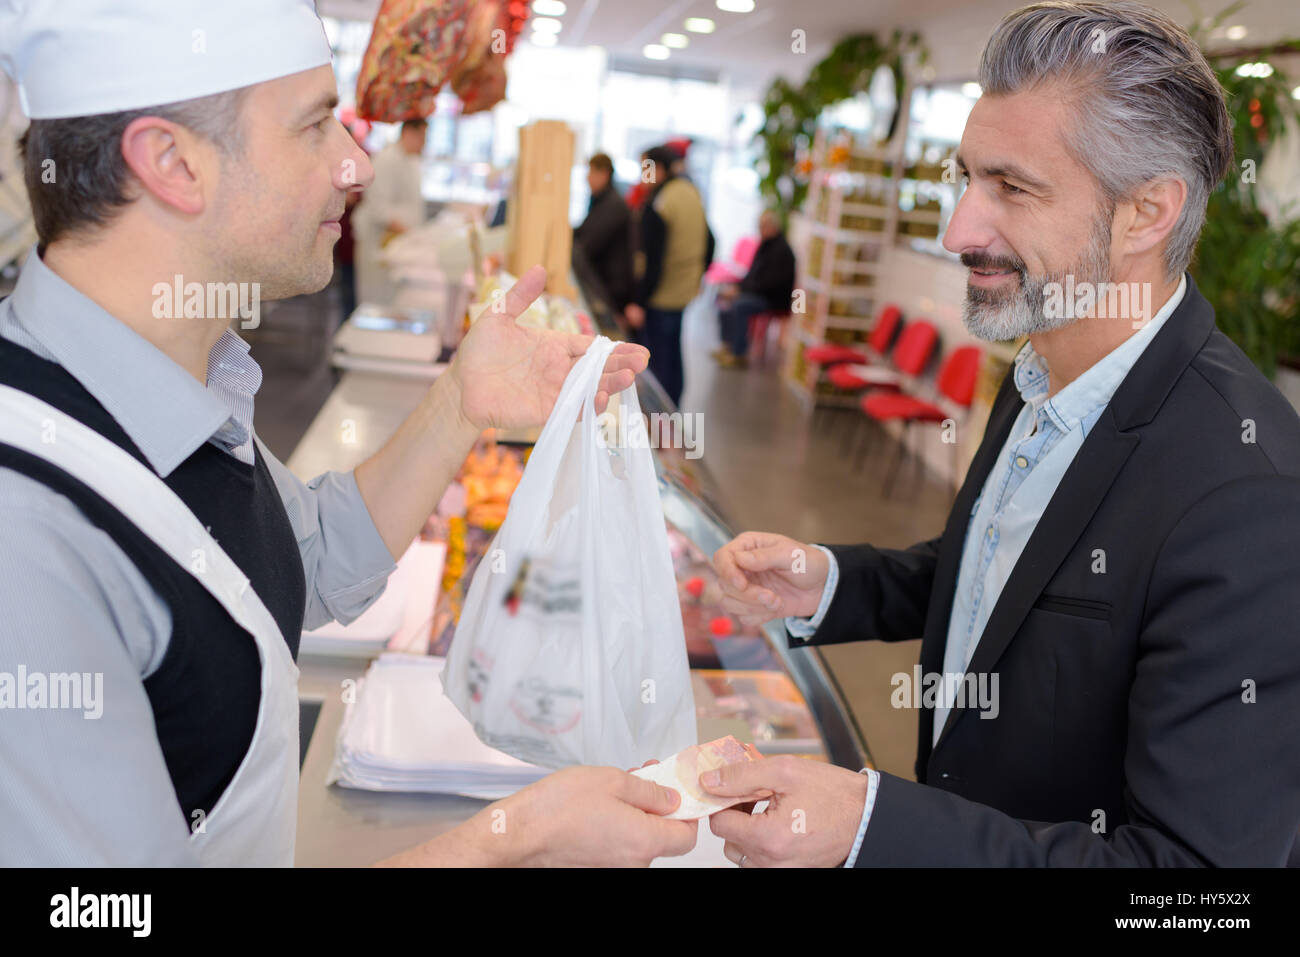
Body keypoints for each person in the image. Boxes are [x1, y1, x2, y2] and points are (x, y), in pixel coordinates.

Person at [0, 0, 700, 868]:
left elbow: (309, 558)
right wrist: (517, 839)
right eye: (315, 124)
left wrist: (461, 403)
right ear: (173, 163)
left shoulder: (177, 379)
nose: (354, 160)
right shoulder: (25, 529)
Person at [704, 0, 1300, 867]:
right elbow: (1005, 573)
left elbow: (1200, 891)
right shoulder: (1038, 370)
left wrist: (875, 827)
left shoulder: (1251, 496)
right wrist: (831, 584)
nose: (958, 231)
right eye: (965, 178)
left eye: (1012, 188)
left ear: (1147, 213)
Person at [624, 145, 714, 407]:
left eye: (647, 169)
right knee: (674, 353)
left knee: (659, 360)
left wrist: (640, 301)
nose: (643, 176)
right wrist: (698, 276)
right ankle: (674, 411)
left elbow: (653, 260)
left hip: (662, 294)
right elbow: (711, 241)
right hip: (684, 291)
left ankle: (660, 419)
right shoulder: (691, 192)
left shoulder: (660, 202)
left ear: (660, 169)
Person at [353, 117, 428, 305]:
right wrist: (410, 234)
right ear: (408, 133)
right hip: (379, 242)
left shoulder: (411, 161)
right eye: (422, 137)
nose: (424, 143)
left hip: (399, 245)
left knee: (395, 298)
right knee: (375, 299)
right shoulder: (386, 159)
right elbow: (379, 209)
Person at [712, 209, 796, 367]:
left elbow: (770, 284)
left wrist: (742, 291)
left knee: (739, 306)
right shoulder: (765, 246)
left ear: (773, 227)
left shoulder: (782, 251)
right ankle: (727, 345)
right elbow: (752, 275)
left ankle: (738, 354)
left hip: (773, 299)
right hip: (758, 292)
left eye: (763, 226)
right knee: (723, 299)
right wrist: (738, 288)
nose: (760, 229)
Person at [572, 152, 633, 316]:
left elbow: (589, 243)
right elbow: (585, 230)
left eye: (591, 172)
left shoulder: (613, 205)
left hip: (610, 288)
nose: (587, 178)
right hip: (604, 282)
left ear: (605, 174)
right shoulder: (601, 200)